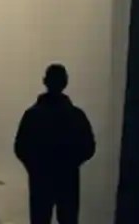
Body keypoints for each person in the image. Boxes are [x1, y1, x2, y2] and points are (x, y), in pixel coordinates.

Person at [14, 63, 96, 224]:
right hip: (68, 179)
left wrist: (35, 167)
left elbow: (20, 147)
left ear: (45, 81)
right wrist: (70, 163)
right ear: (66, 82)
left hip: (40, 180)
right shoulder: (75, 115)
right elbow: (89, 147)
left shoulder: (33, 115)